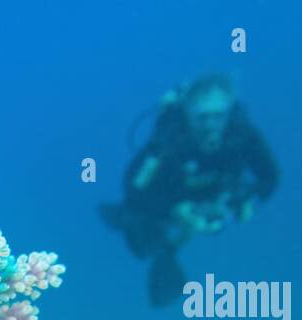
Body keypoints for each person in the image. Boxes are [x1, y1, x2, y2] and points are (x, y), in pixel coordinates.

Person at [100, 75, 279, 306]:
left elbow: (270, 177)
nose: (211, 125)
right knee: (138, 235)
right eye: (202, 117)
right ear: (188, 114)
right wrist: (175, 210)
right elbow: (134, 188)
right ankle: (161, 249)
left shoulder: (242, 134)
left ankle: (168, 254)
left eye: (218, 116)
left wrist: (246, 201)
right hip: (169, 199)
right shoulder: (170, 138)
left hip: (215, 196)